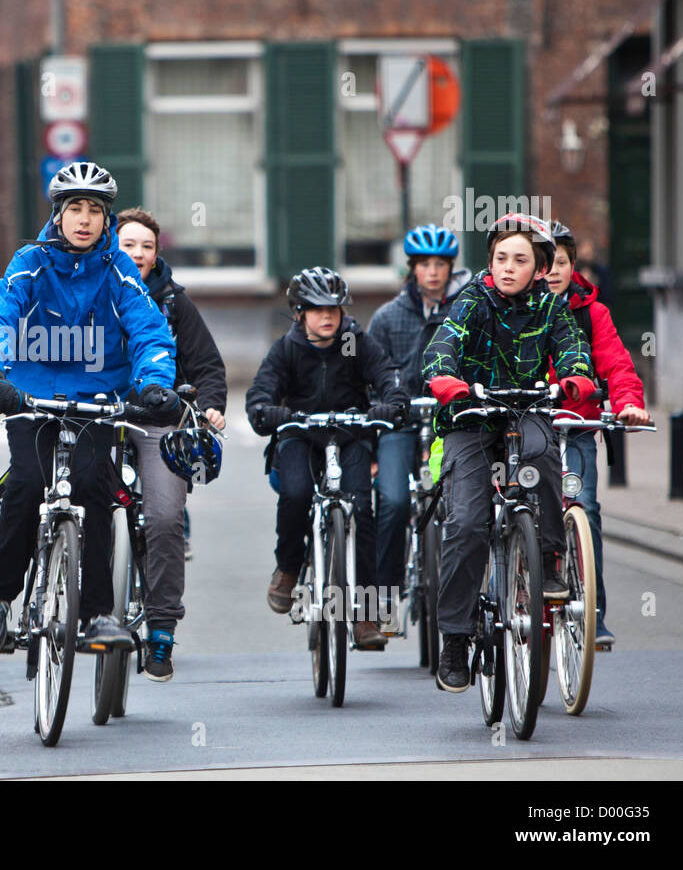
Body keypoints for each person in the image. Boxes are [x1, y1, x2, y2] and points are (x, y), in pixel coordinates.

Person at [0, 162, 181, 657]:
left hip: (96, 401)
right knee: (25, 484)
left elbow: (149, 331)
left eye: (94, 211)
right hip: (31, 396)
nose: (84, 220)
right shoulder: (30, 262)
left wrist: (153, 384)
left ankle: (99, 614)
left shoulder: (118, 269)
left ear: (106, 220)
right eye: (75, 209)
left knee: (96, 489)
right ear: (58, 215)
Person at [421, 213, 594, 693]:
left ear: (540, 268)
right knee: (468, 522)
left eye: (520, 260)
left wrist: (576, 377)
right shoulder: (473, 300)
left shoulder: (551, 307)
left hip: (527, 411)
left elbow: (574, 348)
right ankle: (455, 638)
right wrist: (447, 381)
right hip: (471, 417)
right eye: (501, 258)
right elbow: (441, 346)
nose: (508, 267)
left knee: (542, 456)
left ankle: (549, 559)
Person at [246, 267, 407, 650]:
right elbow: (260, 393)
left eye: (334, 309)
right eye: (317, 310)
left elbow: (387, 376)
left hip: (351, 436)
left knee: (362, 511)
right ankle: (287, 569)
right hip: (300, 436)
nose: (328, 317)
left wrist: (393, 402)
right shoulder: (286, 349)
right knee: (297, 494)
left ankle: (366, 615)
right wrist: (267, 411)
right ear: (300, 313)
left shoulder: (354, 341)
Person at [115, 207, 228, 681]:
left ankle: (161, 629)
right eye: (128, 245)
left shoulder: (175, 304)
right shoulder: (93, 293)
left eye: (147, 246)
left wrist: (212, 406)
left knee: (163, 518)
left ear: (157, 254)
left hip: (160, 422)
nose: (138, 253)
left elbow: (208, 366)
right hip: (100, 419)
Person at [543, 221, 650, 648]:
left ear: (574, 266)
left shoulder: (592, 313)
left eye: (562, 262)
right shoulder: (516, 311)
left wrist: (627, 402)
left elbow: (617, 363)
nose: (553, 270)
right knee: (513, 508)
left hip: (577, 426)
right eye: (546, 262)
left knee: (584, 509)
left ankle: (593, 613)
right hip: (525, 426)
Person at [366, 225, 471, 621]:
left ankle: (463, 596)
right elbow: (372, 380)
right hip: (401, 422)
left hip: (450, 421)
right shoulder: (387, 317)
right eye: (424, 264)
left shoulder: (466, 310)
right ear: (412, 269)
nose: (432, 272)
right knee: (392, 501)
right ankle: (387, 595)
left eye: (440, 264)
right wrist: (380, 423)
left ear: (450, 268)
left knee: (461, 503)